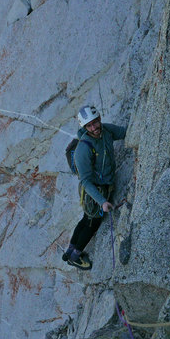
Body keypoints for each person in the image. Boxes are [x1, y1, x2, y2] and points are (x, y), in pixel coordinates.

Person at [63, 105, 127, 270]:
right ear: (84, 128)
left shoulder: (106, 131)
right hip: (93, 190)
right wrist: (102, 201)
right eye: (89, 125)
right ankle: (75, 257)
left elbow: (123, 132)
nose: (94, 128)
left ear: (99, 119)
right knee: (92, 223)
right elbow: (85, 181)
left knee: (86, 219)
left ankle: (70, 250)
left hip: (101, 186)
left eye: (95, 122)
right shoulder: (83, 149)